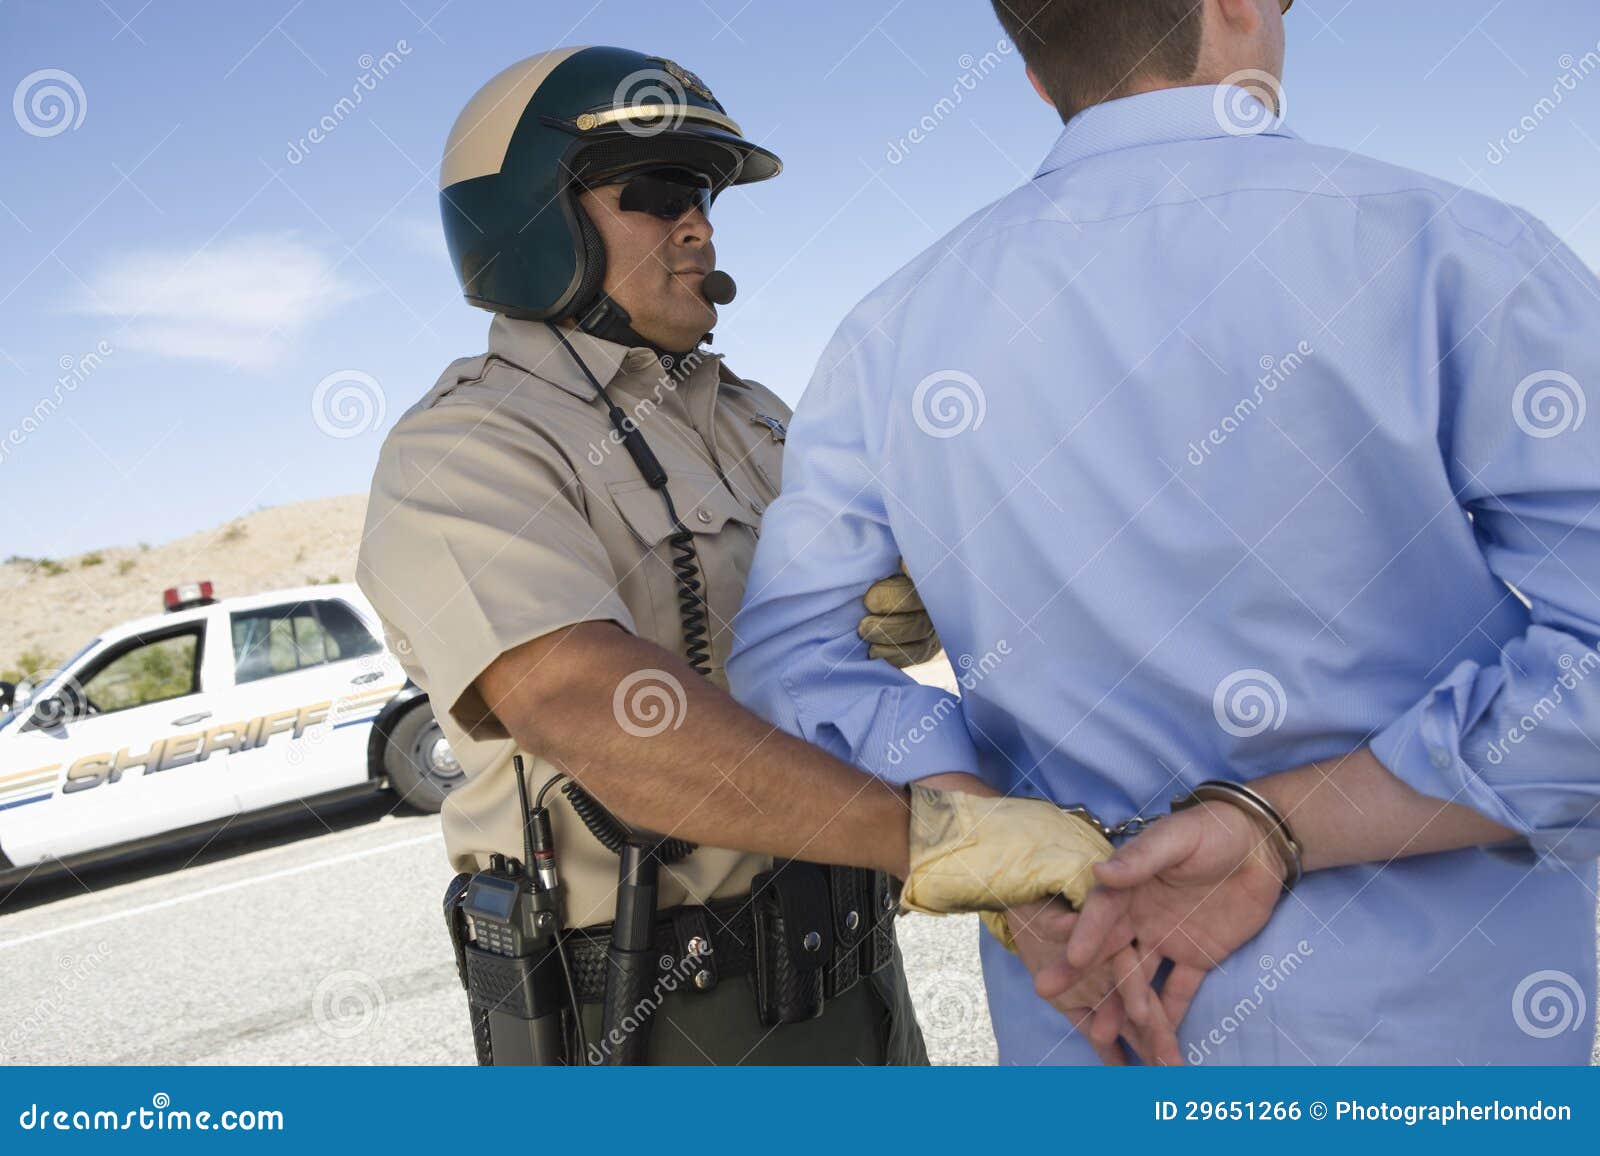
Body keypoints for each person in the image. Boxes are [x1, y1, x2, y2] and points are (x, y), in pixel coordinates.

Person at [727, 0, 1600, 1066]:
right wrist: (1286, 824)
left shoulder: (886, 332)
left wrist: (992, 840)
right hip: (1440, 1048)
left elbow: (788, 659)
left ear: (1038, 73)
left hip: (1086, 1022)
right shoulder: (1455, 250)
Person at [356, 45, 1117, 1065]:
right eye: (658, 192)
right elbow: (583, 700)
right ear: (532, 221)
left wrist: (908, 603)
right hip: (662, 1015)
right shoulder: (467, 447)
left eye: (705, 195)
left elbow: (834, 635)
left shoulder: (757, 418)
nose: (699, 227)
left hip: (855, 974)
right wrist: (936, 838)